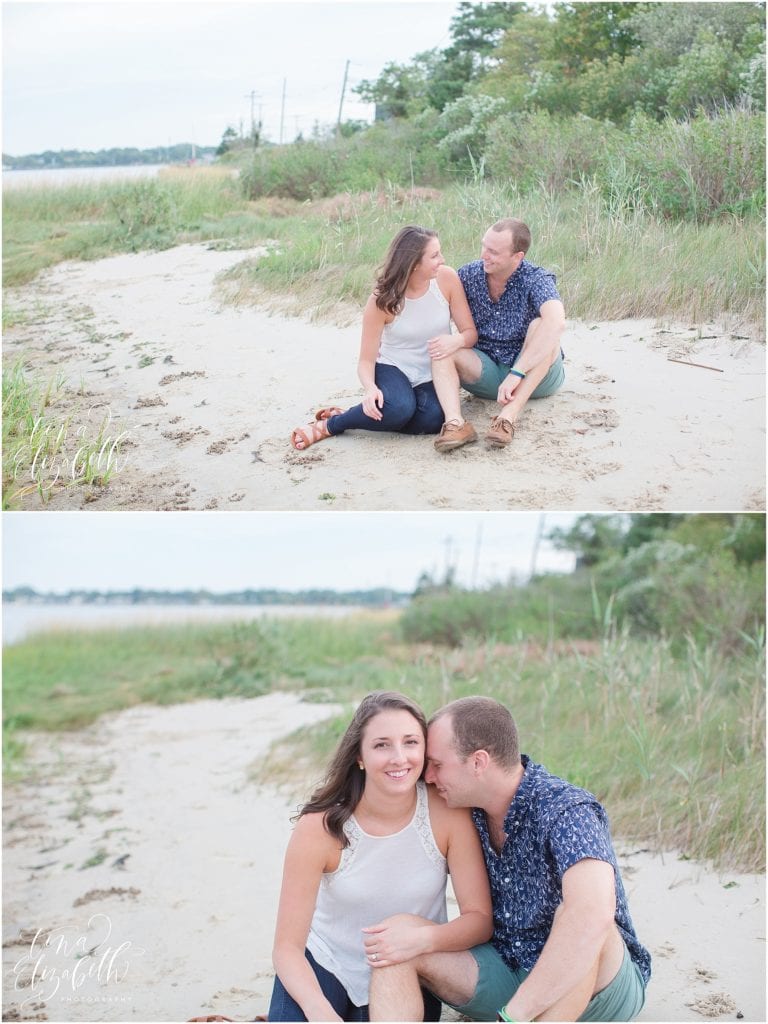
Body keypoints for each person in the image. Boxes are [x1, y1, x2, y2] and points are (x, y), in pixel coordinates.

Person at [368, 696, 651, 1022]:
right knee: (395, 944)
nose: (428, 776)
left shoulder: (566, 809)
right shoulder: (464, 811)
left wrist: (515, 1016)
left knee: (584, 917)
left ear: (478, 762)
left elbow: (593, 912)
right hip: (508, 971)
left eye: (438, 765)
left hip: (594, 989)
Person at [267, 691, 493, 1022]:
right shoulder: (319, 827)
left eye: (411, 742)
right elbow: (286, 949)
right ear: (359, 755)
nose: (399, 757)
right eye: (381, 745)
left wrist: (422, 939)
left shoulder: (447, 814)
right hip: (326, 964)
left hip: (405, 968)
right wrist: (320, 1013)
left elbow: (479, 919)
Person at [290, 227, 477, 450]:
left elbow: (470, 333)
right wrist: (370, 389)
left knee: (434, 419)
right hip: (393, 367)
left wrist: (454, 341)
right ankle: (333, 424)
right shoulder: (382, 300)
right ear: (414, 263)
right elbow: (366, 361)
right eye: (435, 255)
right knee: (398, 408)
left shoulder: (447, 279)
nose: (442, 259)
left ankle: (358, 415)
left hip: (433, 371)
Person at [430, 218, 566, 452]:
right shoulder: (469, 274)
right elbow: (429, 294)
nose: (484, 255)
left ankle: (507, 418)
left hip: (534, 376)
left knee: (543, 327)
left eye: (493, 252)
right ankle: (455, 423)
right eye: (484, 246)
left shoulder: (535, 279)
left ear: (517, 257)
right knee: (442, 348)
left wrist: (518, 371)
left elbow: (557, 321)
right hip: (488, 371)